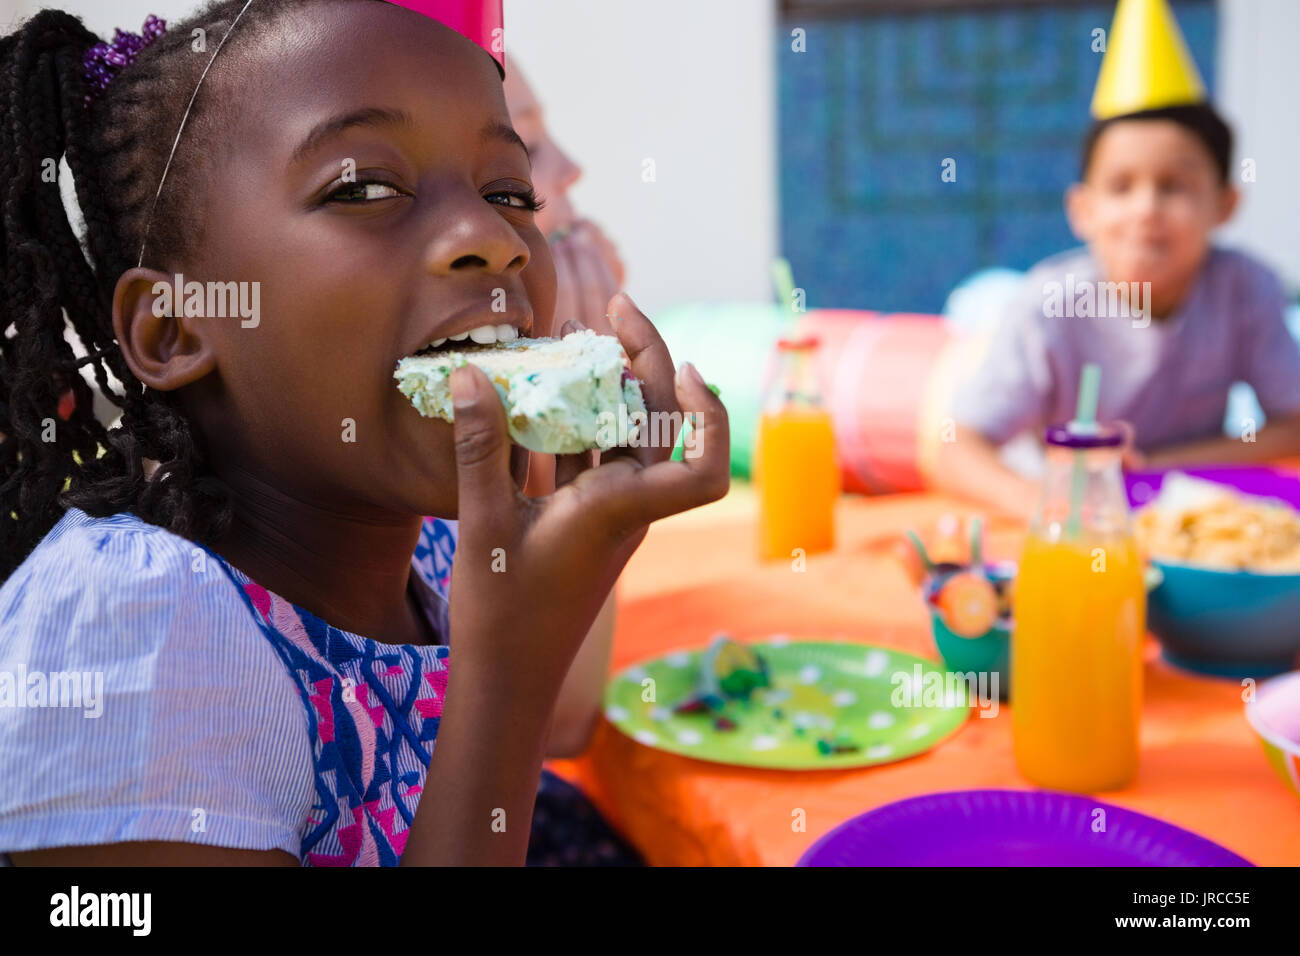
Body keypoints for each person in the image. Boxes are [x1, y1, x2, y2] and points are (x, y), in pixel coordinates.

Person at [0, 0, 729, 866]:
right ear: (176, 327)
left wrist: (597, 524)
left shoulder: (435, 551)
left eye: (508, 193)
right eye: (363, 189)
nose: (492, 240)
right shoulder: (131, 636)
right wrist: (505, 679)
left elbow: (567, 717)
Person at [936, 0, 1300, 519]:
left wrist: (1156, 468)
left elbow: (1294, 424)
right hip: (1077, 515)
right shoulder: (1050, 304)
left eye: (1174, 186)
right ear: (1082, 210)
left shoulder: (1247, 288)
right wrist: (1044, 503)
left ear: (1224, 204)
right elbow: (954, 446)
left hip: (1182, 509)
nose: (1146, 209)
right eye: (1121, 186)